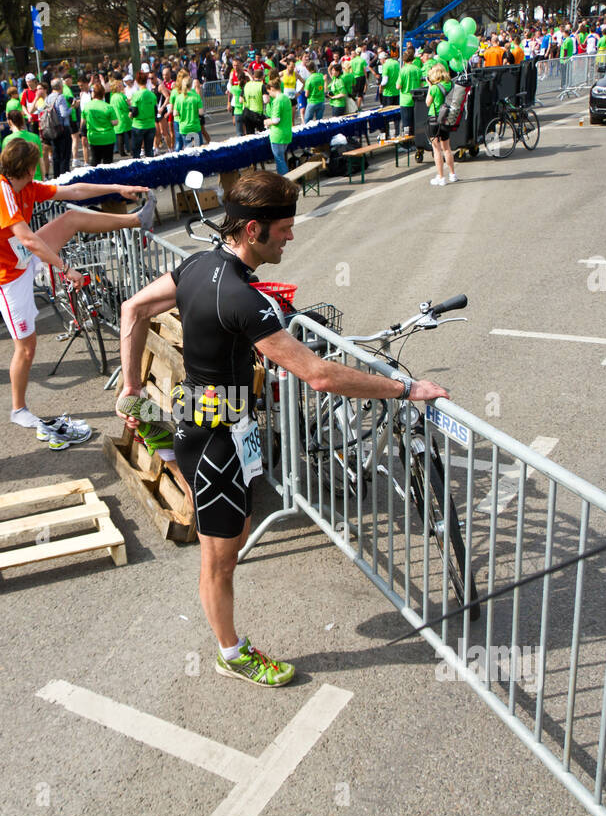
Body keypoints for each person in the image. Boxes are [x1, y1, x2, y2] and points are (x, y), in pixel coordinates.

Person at [115, 172, 449, 687]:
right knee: (220, 558)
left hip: (210, 421)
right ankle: (233, 652)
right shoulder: (244, 300)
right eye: (284, 230)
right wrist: (405, 390)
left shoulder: (199, 264)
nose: (290, 238)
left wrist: (133, 386)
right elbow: (318, 374)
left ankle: (168, 445)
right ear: (253, 230)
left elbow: (133, 307)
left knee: (235, 529)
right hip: (215, 438)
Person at [0, 137, 155, 438]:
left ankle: (136, 219)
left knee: (70, 218)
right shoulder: (1, 193)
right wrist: (66, 269)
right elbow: (29, 240)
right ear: (28, 169)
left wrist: (117, 188)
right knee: (26, 349)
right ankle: (18, 410)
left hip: (17, 256)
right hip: (5, 277)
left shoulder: (23, 185)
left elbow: (74, 191)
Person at [425, 64, 457, 186]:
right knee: (447, 148)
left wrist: (429, 86)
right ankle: (452, 174)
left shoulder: (434, 88)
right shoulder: (451, 85)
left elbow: (428, 103)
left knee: (436, 149)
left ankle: (441, 176)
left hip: (434, 119)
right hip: (446, 118)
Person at [81, 82, 118, 166]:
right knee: (108, 163)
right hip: (107, 137)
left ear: (93, 93)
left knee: (95, 160)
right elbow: (114, 122)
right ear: (103, 94)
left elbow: (83, 122)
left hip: (94, 137)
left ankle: (94, 178)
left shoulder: (87, 106)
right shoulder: (108, 106)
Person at [262, 78, 293, 174]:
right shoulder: (286, 98)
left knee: (279, 160)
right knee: (282, 158)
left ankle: (284, 183)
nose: (269, 95)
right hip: (287, 133)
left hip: (278, 135)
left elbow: (276, 120)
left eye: (269, 92)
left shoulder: (277, 101)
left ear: (272, 88)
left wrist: (267, 122)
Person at [129, 72, 157, 158]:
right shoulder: (152, 95)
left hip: (138, 126)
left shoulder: (136, 95)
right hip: (150, 125)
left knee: (136, 152)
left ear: (137, 81)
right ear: (146, 81)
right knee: (149, 151)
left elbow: (135, 111)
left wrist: (130, 114)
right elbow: (155, 111)